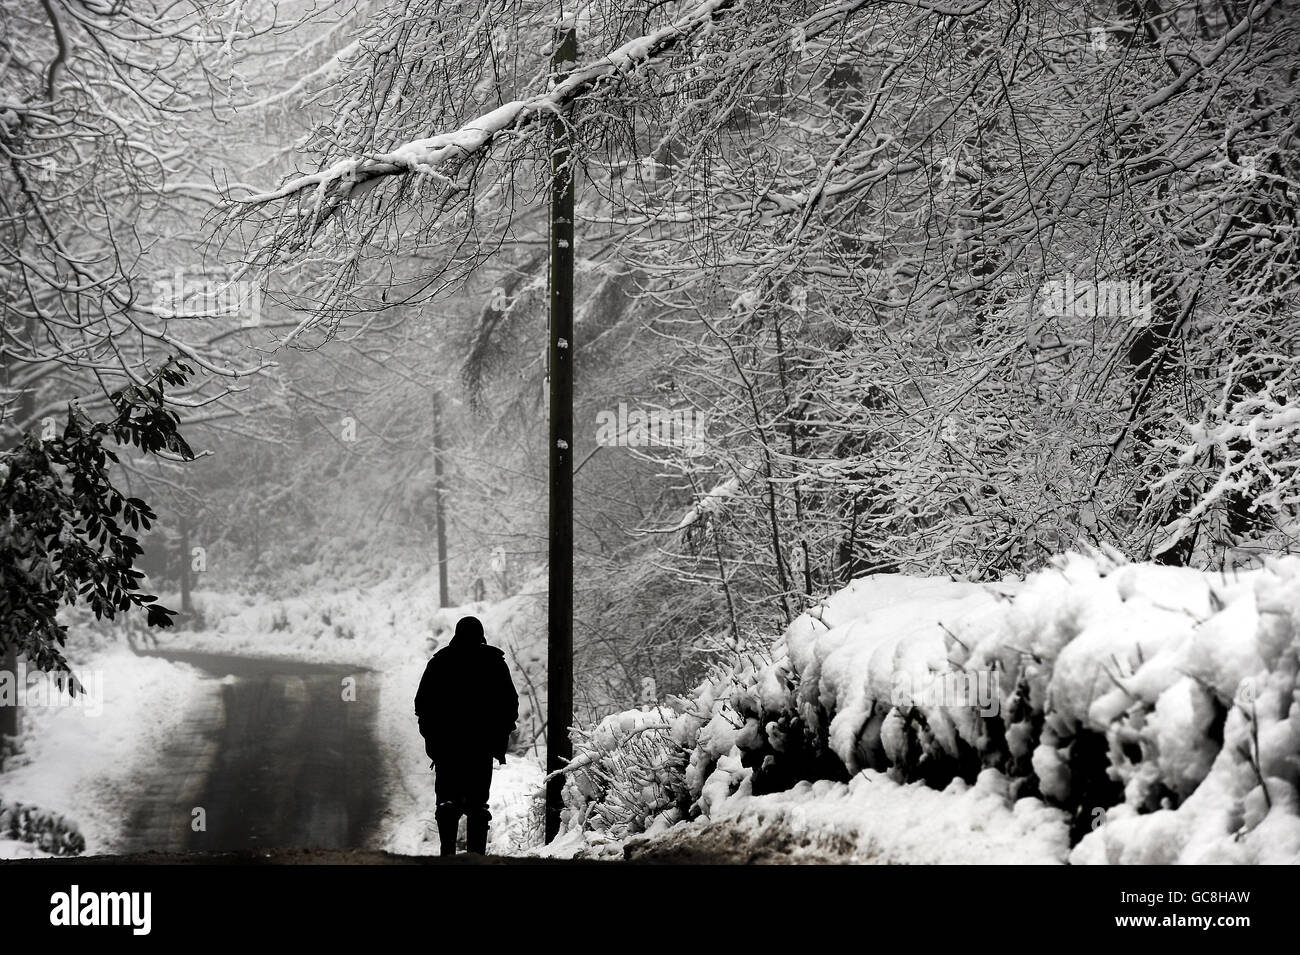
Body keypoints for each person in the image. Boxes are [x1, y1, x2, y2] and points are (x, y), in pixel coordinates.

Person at [414, 615, 518, 856]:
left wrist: (431, 735)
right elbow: (509, 704)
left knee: (447, 803)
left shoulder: (440, 662)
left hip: (446, 747)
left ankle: (447, 854)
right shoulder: (494, 662)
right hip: (481, 748)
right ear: (481, 636)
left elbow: (422, 704)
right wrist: (499, 734)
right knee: (477, 805)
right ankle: (476, 857)